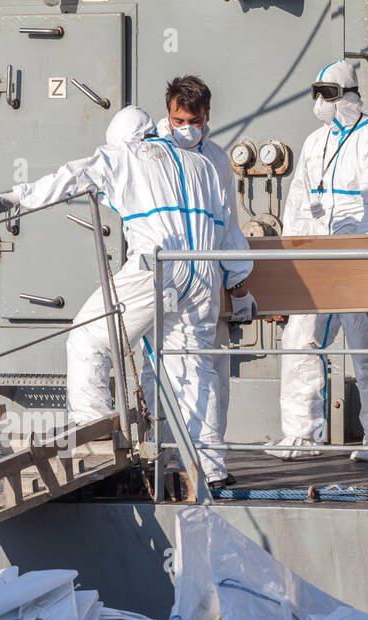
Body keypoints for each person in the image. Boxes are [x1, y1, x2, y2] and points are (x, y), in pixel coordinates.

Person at [0, 105, 252, 490]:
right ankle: (208, 468)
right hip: (201, 272)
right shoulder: (201, 164)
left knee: (89, 339)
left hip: (156, 269)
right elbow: (228, 226)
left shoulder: (122, 154)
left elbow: (71, 176)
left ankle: (95, 436)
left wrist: (18, 197)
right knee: (190, 371)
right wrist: (239, 284)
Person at [267, 60, 368, 461]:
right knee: (299, 341)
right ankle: (300, 435)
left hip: (355, 261)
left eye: (327, 94)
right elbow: (297, 202)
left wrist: (346, 250)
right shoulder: (315, 142)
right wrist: (296, 254)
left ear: (347, 95)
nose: (320, 103)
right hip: (315, 265)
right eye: (317, 93)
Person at [154, 76, 254, 479]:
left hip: (204, 282)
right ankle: (158, 459)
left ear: (207, 115)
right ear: (168, 114)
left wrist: (239, 285)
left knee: (210, 372)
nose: (186, 127)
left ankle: (210, 464)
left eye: (193, 119)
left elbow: (227, 226)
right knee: (158, 371)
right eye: (178, 119)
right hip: (160, 282)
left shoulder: (216, 159)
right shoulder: (149, 154)